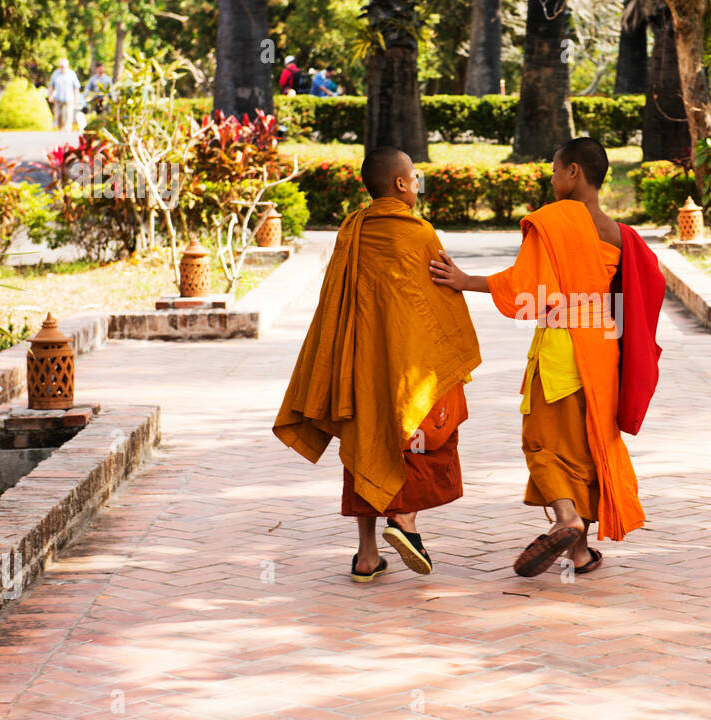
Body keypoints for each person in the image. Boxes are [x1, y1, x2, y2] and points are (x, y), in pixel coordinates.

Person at [430, 137, 665, 577]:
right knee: (585, 447)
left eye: (556, 171)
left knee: (541, 442)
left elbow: (526, 289)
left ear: (574, 172)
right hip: (603, 354)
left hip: (562, 349)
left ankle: (567, 519)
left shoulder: (555, 219)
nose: (553, 179)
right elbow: (644, 290)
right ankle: (580, 553)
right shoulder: (620, 232)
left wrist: (465, 280)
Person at [274, 147, 481, 583]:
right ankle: (405, 522)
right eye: (414, 178)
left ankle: (366, 555)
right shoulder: (418, 232)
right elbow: (441, 295)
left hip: (360, 364)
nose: (418, 184)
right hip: (409, 364)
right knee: (416, 440)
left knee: (364, 440)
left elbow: (333, 301)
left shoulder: (353, 230)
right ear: (401, 185)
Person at [46, 58, 81, 131]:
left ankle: (67, 130)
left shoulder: (72, 74)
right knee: (58, 115)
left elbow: (76, 87)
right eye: (60, 66)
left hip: (69, 99)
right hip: (58, 99)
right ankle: (61, 129)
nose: (62, 68)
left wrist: (76, 98)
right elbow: (51, 86)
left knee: (68, 115)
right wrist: (50, 95)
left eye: (63, 66)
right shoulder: (55, 74)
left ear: (67, 66)